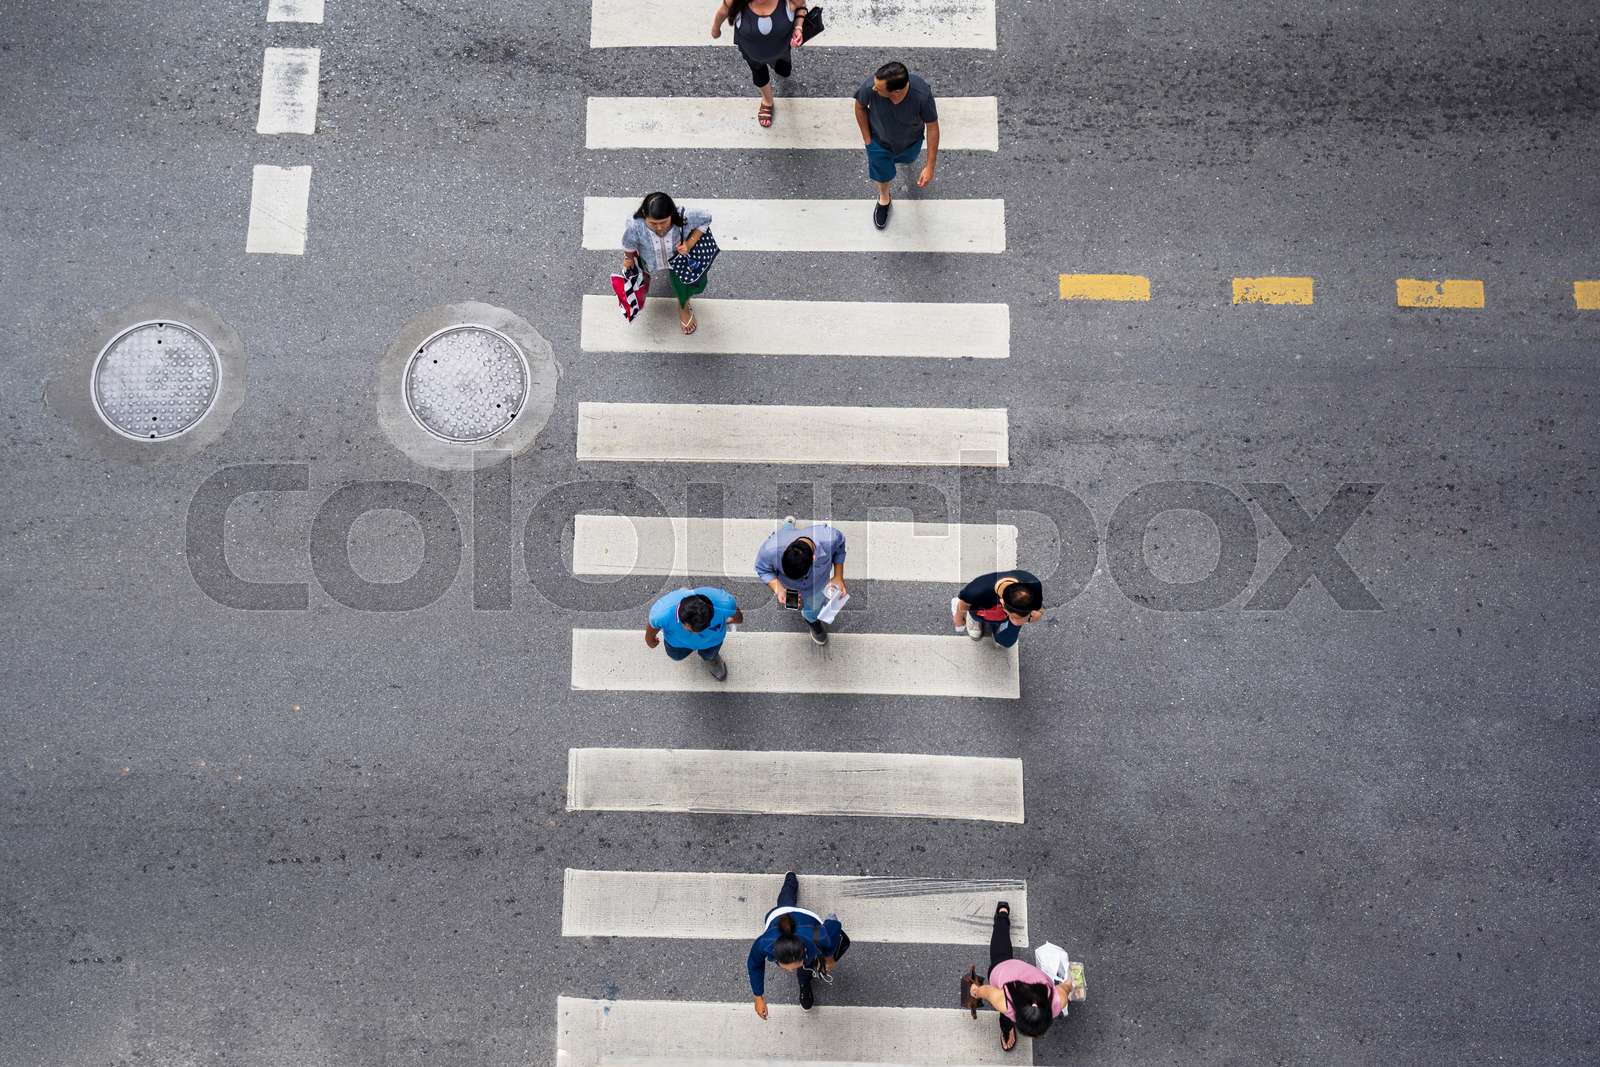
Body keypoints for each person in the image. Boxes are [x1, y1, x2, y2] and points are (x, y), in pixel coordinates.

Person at [968, 901, 1075, 1052]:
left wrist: (975, 991)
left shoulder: (1058, 1000)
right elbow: (986, 991)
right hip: (1003, 969)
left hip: (1007, 968)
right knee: (1005, 1016)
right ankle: (1002, 914)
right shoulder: (1004, 1002)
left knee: (1001, 941)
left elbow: (1066, 986)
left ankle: (1002, 914)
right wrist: (977, 991)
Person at [747, 871, 850, 1017]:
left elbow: (833, 926)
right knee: (785, 901)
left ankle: (804, 984)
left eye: (792, 967)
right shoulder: (763, 943)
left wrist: (829, 958)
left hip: (806, 919)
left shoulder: (816, 935)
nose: (790, 971)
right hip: (780, 915)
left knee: (805, 968)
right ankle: (790, 879)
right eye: (788, 967)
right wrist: (758, 997)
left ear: (804, 952)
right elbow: (754, 965)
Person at [852, 61, 940, 230]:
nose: (873, 89)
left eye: (879, 89)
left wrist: (930, 166)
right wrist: (868, 140)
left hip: (910, 142)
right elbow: (859, 106)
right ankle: (884, 198)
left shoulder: (921, 95)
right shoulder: (872, 85)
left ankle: (902, 163)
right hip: (879, 143)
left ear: (896, 92)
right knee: (882, 176)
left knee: (908, 160)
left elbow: (933, 127)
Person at [621, 192, 714, 335]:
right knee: (641, 280)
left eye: (664, 222)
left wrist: (689, 244)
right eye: (653, 223)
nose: (659, 228)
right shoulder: (635, 225)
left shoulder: (684, 217)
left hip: (679, 261)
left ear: (672, 214)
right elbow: (629, 243)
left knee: (686, 287)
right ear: (644, 215)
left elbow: (706, 218)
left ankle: (683, 306)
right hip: (652, 260)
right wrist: (628, 259)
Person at [711, 1, 808, 128]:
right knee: (758, 73)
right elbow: (723, 11)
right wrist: (715, 28)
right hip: (751, 53)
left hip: (782, 50)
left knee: (784, 71)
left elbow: (801, 7)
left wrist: (798, 27)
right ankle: (767, 101)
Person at [754, 517, 847, 646]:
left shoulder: (830, 537)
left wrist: (838, 576)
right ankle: (788, 526)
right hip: (786, 542)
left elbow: (840, 547)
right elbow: (762, 569)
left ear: (814, 558)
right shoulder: (770, 549)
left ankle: (811, 621)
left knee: (813, 610)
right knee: (786, 531)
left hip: (816, 586)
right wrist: (778, 588)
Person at [644, 586, 742, 682]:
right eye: (691, 630)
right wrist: (650, 640)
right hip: (678, 644)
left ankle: (711, 658)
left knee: (710, 655)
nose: (697, 633)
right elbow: (652, 627)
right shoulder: (661, 613)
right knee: (676, 656)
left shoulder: (726, 604)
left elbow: (737, 618)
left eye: (703, 627)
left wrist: (651, 642)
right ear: (680, 618)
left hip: (712, 642)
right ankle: (683, 592)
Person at [951, 569, 1043, 649]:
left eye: (1026, 617)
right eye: (1014, 617)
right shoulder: (976, 591)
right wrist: (958, 618)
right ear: (1002, 602)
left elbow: (1040, 608)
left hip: (1004, 614)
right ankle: (974, 619)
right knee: (976, 615)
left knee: (1007, 641)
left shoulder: (1033, 584)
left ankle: (999, 634)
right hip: (981, 609)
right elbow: (964, 604)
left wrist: (1038, 613)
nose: (1019, 623)